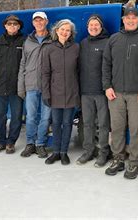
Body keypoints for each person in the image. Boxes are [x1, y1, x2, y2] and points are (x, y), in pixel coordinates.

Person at [102, 6, 138, 179]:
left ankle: (134, 163)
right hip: (115, 93)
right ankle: (118, 159)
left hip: (137, 94)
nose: (131, 20)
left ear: (137, 20)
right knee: (117, 128)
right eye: (128, 18)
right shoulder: (114, 39)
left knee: (135, 129)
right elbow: (106, 65)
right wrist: (107, 86)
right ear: (123, 20)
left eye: (134, 18)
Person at [41, 19, 80, 166]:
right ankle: (56, 152)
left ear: (71, 33)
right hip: (54, 92)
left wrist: (78, 93)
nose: (65, 32)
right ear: (56, 31)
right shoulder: (49, 48)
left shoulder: (76, 48)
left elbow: (79, 72)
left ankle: (64, 152)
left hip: (71, 92)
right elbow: (45, 73)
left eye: (68, 30)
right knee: (56, 123)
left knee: (68, 123)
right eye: (62, 29)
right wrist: (46, 93)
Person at [76, 14, 111, 167]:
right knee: (88, 123)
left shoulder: (107, 42)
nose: (94, 27)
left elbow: (111, 67)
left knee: (103, 124)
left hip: (102, 91)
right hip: (86, 92)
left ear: (101, 27)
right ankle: (88, 151)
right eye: (91, 25)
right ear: (87, 28)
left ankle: (103, 152)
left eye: (96, 25)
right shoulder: (83, 43)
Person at [18, 11, 52, 159]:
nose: (39, 23)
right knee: (31, 116)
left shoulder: (52, 39)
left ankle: (40, 144)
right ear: (33, 23)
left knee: (45, 117)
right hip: (31, 84)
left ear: (46, 21)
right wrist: (21, 86)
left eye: (41, 20)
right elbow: (22, 65)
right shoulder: (28, 41)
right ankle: (30, 143)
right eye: (36, 21)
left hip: (47, 86)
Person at [0, 14, 25, 154]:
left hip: (16, 86)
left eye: (15, 24)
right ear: (5, 26)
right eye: (9, 24)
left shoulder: (24, 41)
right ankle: (1, 141)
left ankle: (11, 142)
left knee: (16, 116)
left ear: (19, 26)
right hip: (0, 85)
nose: (12, 26)